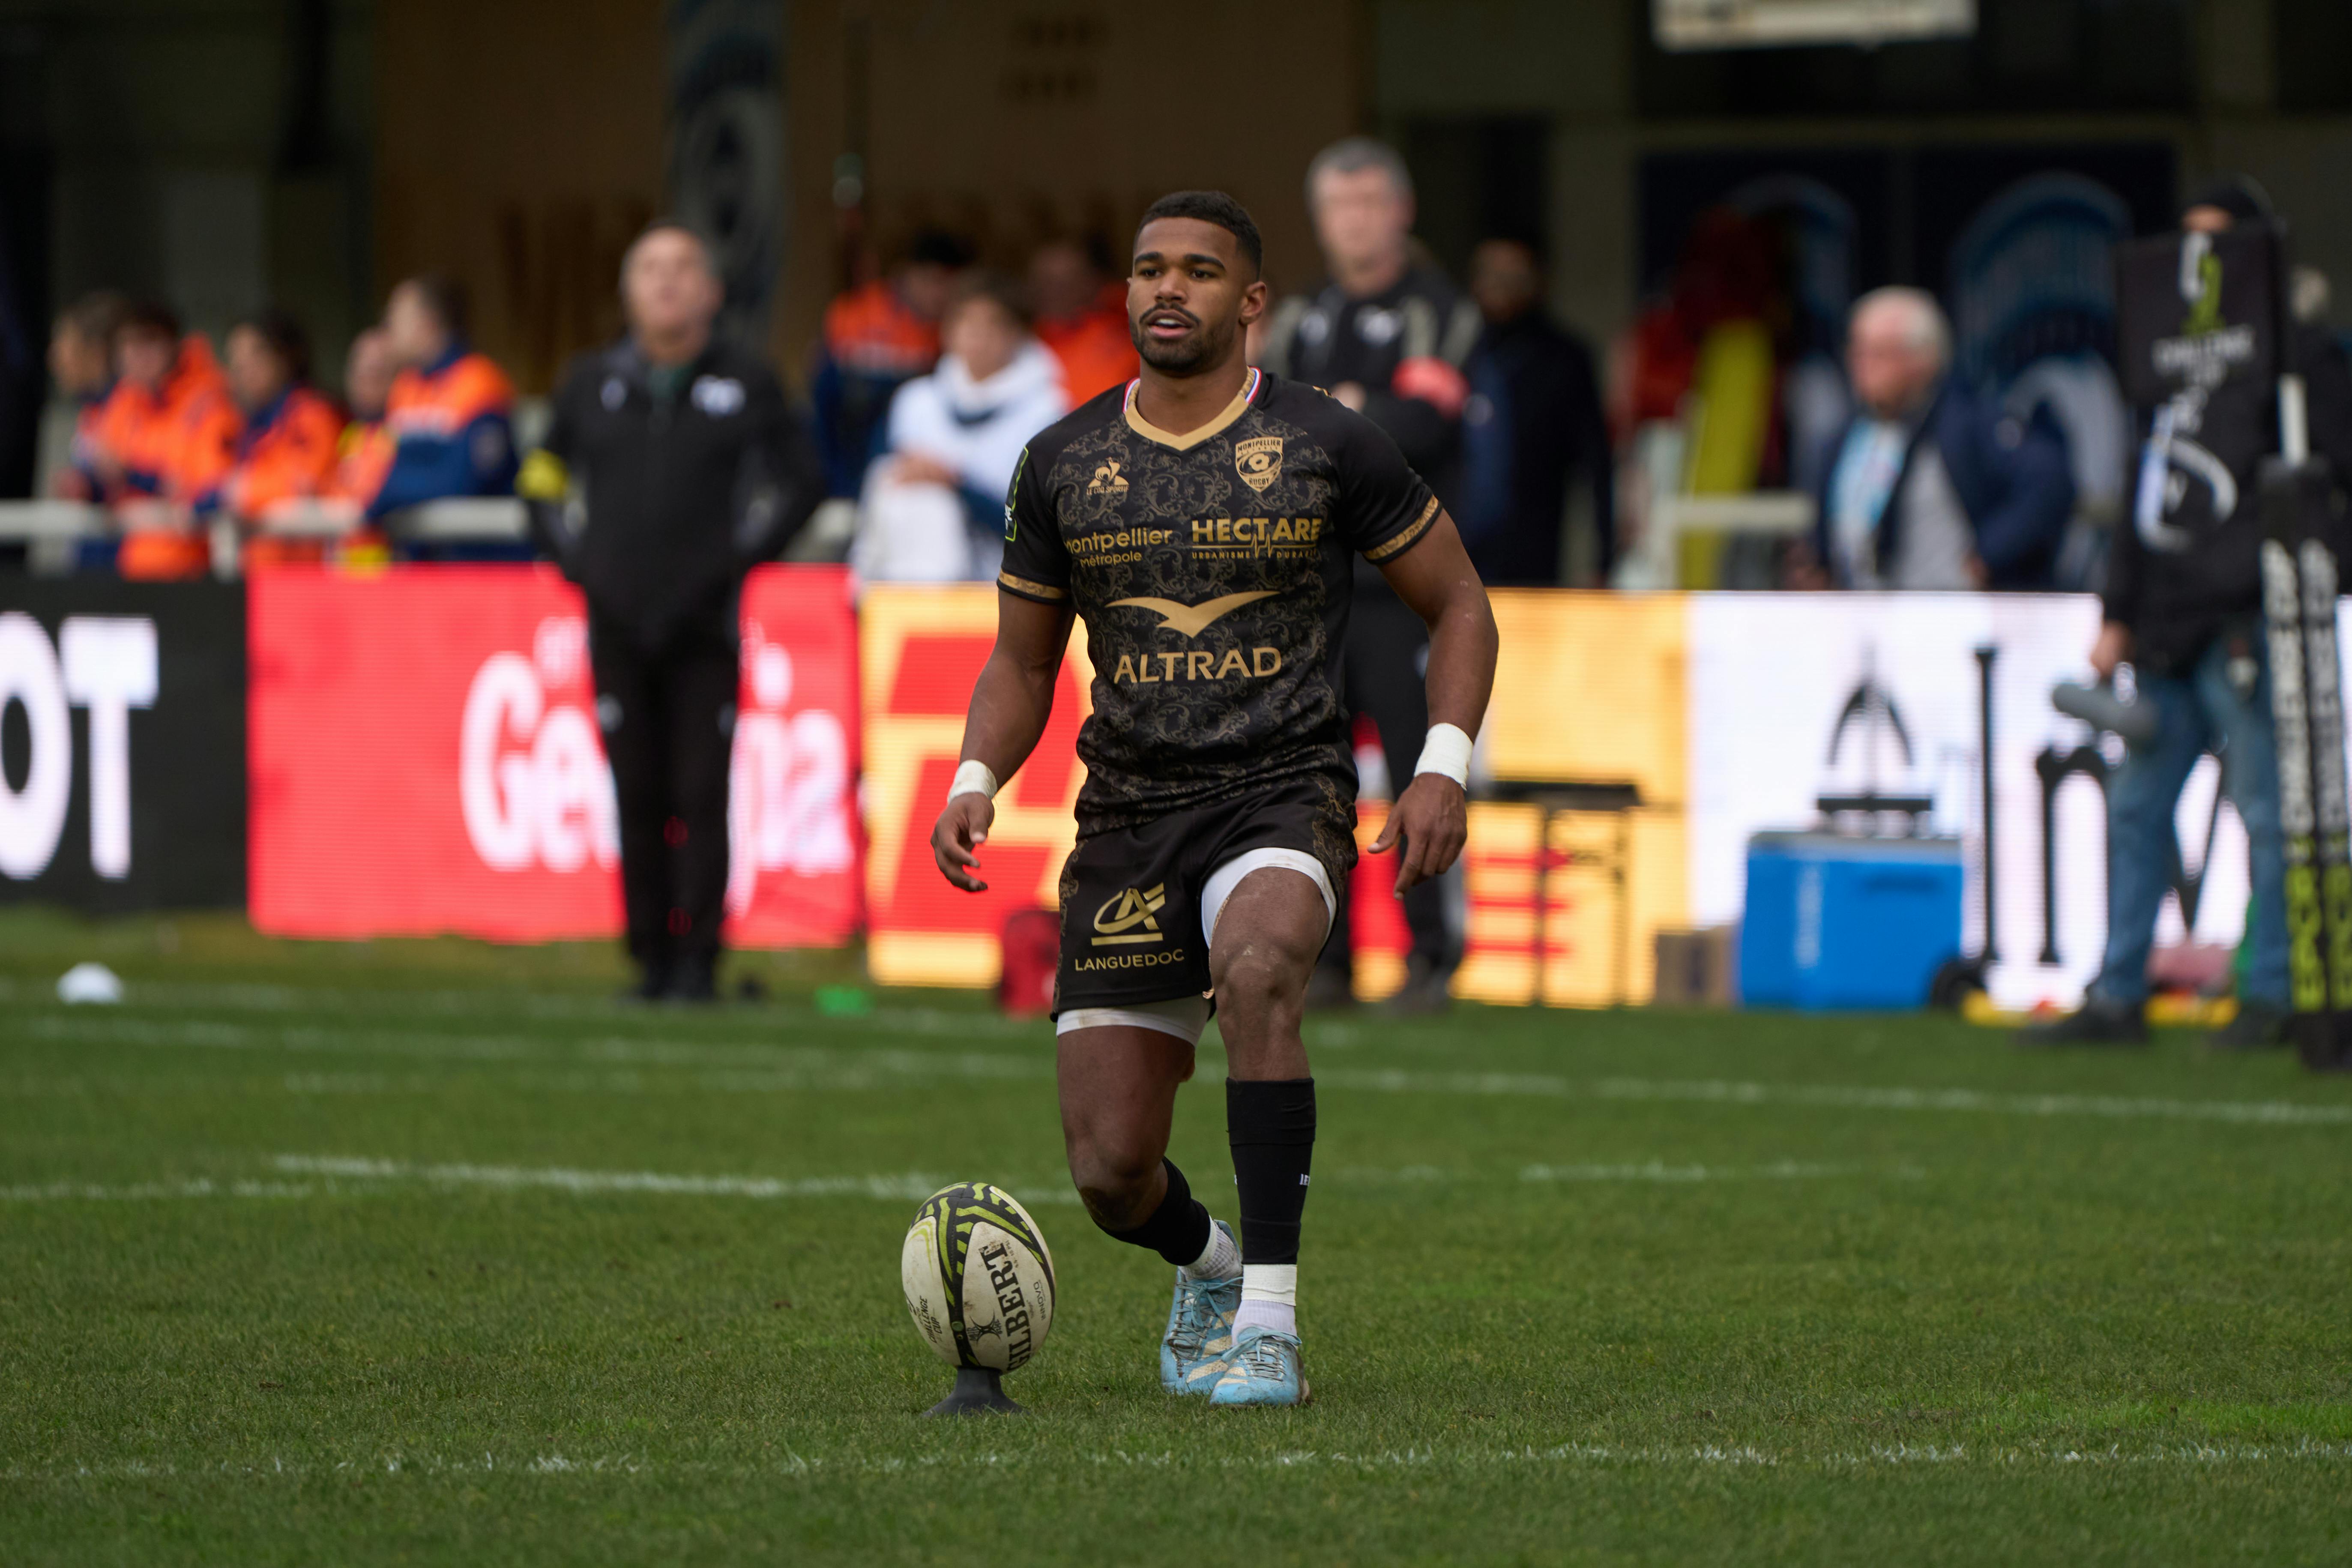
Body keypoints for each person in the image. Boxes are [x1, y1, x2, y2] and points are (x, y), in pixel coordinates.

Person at [929, 191, 1498, 1406]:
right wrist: (977, 776)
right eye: (1147, 270)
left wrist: (1442, 758)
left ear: (1250, 303)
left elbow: (1458, 601)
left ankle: (1273, 1332)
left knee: (1257, 971)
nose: (1166, 290)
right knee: (1111, 1172)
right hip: (1129, 817)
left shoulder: (1327, 441)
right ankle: (1212, 1266)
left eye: (1197, 271)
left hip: (1279, 792)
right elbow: (1024, 662)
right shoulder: (1062, 462)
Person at [2024, 178, 2352, 1052]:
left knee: (2270, 815)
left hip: (2249, 619)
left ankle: (2277, 993)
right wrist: (2118, 615)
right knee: (2137, 811)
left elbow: (2323, 490)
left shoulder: (2299, 361)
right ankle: (2119, 992)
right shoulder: (2168, 364)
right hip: (2167, 630)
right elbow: (2148, 494)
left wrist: (2287, 589)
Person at [522, 222, 823, 1003]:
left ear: (712, 293)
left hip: (703, 624)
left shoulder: (748, 381)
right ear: (627, 290)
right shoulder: (588, 383)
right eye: (650, 268)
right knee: (636, 792)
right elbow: (543, 477)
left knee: (700, 790)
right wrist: (575, 559)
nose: (667, 282)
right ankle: (649, 958)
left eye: (683, 268)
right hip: (616, 618)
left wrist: (739, 560)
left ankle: (699, 962)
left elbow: (801, 482)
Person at [1260, 136, 1481, 1013]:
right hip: (1313, 586)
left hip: (1404, 583)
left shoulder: (1436, 307)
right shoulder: (1300, 314)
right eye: (1338, 208)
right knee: (1315, 778)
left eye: (1369, 205)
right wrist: (1345, 409)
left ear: (1402, 212)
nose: (1354, 223)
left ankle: (1431, 958)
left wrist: (1338, 413)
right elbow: (1259, 417)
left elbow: (1425, 423)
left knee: (1419, 768)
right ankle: (1333, 961)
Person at [1800, 287, 2075, 591]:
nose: (1864, 366)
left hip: (1947, 615)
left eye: (1880, 353)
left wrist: (1988, 554)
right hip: (1862, 615)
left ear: (1923, 359)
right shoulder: (1846, 437)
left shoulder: (1965, 423)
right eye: (1858, 351)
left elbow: (2049, 482)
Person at [853, 272, 1067, 582]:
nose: (977, 337)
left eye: (992, 325)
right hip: (905, 583)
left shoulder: (1049, 413)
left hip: (1001, 587)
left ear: (1019, 334)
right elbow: (874, 493)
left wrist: (956, 485)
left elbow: (1039, 532)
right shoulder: (915, 401)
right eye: (966, 322)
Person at [1456, 237, 1615, 585]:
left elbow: (1597, 464)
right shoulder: (1457, 352)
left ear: (1539, 281)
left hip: (1535, 550)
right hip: (1454, 547)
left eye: (1514, 276)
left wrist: (1604, 558)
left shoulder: (1564, 360)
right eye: (1490, 274)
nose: (1499, 287)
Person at [809, 230, 969, 498]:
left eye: (950, 285)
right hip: (843, 454)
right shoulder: (856, 312)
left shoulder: (950, 329)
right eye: (935, 281)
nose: (940, 294)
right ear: (907, 273)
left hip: (905, 470)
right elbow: (822, 399)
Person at [86, 302, 241, 579]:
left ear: (174, 346)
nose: (138, 356)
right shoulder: (125, 401)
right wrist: (86, 484)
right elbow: (108, 475)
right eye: (129, 346)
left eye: (149, 344)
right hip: (130, 561)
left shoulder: (209, 400)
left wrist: (132, 476)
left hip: (192, 567)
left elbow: (202, 490)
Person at [370, 273, 518, 521]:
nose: (388, 329)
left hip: (479, 550)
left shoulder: (480, 382)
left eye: (395, 318)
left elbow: (464, 482)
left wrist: (391, 495)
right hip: (421, 552)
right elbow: (385, 472)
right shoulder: (404, 387)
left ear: (427, 323)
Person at [210, 309, 345, 566]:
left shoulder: (313, 413)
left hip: (306, 575)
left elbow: (305, 482)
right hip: (253, 572)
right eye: (234, 358)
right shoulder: (239, 423)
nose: (242, 368)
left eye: (255, 354)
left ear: (284, 356)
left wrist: (239, 491)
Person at [1029, 238, 1136, 405]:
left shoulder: (1119, 337)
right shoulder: (1021, 344)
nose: (1055, 292)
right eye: (1047, 282)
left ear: (1090, 283)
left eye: (1066, 282)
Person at [45, 291, 125, 501]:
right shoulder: (93, 409)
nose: (54, 359)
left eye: (63, 345)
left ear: (96, 350)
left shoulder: (131, 412)